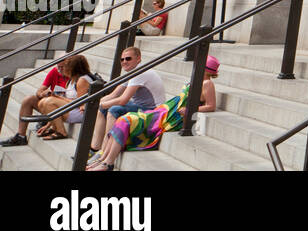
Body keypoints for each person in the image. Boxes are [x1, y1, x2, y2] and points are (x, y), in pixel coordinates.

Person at [88, 55, 219, 171]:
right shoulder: (196, 80)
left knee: (125, 120)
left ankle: (108, 163)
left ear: (206, 69)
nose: (195, 66)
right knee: (123, 119)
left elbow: (211, 106)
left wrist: (191, 110)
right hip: (164, 111)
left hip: (171, 117)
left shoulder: (207, 83)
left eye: (199, 64)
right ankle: (103, 160)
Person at [87, 45, 166, 154]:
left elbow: (123, 100)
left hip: (154, 110)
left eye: (128, 58)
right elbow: (114, 94)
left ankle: (104, 151)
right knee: (104, 108)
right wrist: (95, 103)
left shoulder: (140, 72)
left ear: (138, 59)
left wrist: (102, 104)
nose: (124, 61)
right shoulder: (131, 72)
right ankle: (95, 148)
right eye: (122, 59)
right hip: (141, 106)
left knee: (114, 109)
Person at [0, 60, 70, 147]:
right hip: (50, 105)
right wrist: (43, 94)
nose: (59, 70)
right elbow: (39, 91)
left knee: (50, 102)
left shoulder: (77, 77)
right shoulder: (55, 71)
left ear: (70, 66)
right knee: (29, 99)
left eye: (62, 67)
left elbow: (76, 101)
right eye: (58, 67)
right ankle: (21, 136)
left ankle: (49, 121)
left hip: (65, 108)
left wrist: (57, 98)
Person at [34, 54, 93, 139]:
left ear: (72, 68)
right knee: (42, 103)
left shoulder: (82, 80)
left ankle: (61, 132)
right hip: (72, 109)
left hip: (81, 112)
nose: (62, 69)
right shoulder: (71, 80)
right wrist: (47, 126)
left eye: (65, 66)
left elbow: (80, 104)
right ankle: (54, 128)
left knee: (50, 102)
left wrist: (58, 97)